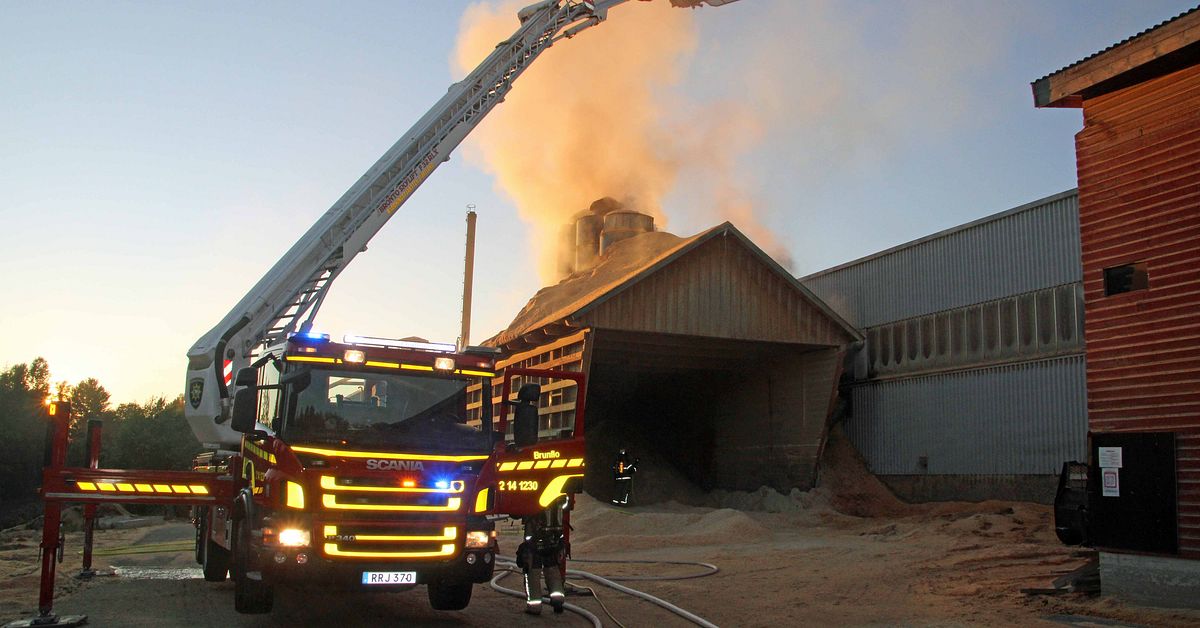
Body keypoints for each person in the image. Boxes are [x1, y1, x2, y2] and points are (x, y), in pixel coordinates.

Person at [516, 495, 570, 615]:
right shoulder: (560, 497)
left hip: (534, 543)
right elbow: (566, 505)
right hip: (553, 541)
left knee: (532, 573)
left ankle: (534, 607)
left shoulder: (533, 496)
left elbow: (519, 511)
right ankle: (558, 601)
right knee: (553, 571)